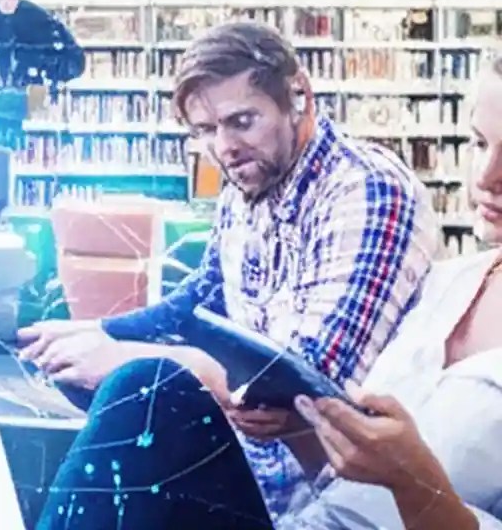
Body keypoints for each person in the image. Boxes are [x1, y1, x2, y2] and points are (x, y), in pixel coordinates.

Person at [35, 52, 502, 529]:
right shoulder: (452, 282)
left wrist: (413, 483)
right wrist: (300, 423)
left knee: (146, 388)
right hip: (304, 516)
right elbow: (341, 475)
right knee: (138, 400)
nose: (486, 178)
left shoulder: (368, 187)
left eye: (242, 122)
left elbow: (380, 464)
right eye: (479, 143)